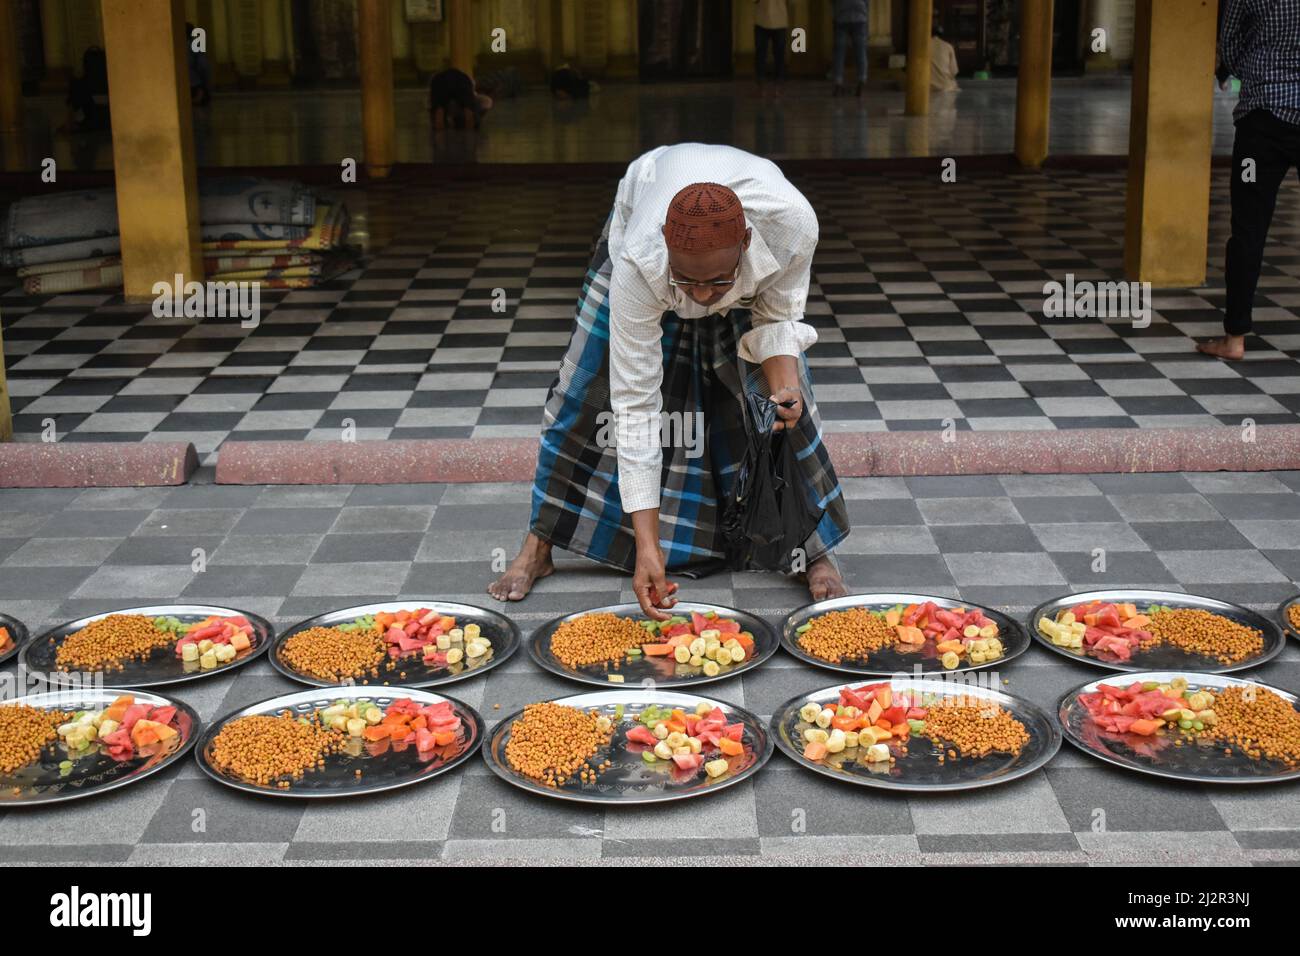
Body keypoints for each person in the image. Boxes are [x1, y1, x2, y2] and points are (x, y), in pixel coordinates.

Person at [488, 144, 850, 618]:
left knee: (777, 409)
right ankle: (540, 543)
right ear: (664, 241)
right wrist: (647, 549)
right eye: (686, 281)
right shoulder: (640, 260)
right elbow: (635, 408)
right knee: (585, 401)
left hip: (749, 272)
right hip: (644, 248)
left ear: (745, 244)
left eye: (716, 284)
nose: (701, 298)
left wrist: (783, 391)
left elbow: (777, 317)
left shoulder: (792, 227)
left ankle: (811, 548)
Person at [1200, 0, 1300, 361]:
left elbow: (1229, 43)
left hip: (1262, 123)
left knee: (1248, 230)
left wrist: (1260, 72)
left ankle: (1235, 338)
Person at [428, 68, 493, 130]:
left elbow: (438, 111)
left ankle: (460, 122)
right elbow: (469, 107)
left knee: (439, 110)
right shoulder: (464, 80)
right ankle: (467, 125)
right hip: (460, 85)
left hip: (442, 83)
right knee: (469, 108)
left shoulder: (438, 80)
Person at [831, 0, 869, 97]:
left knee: (839, 52)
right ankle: (862, 80)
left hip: (841, 13)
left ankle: (838, 82)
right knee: (860, 50)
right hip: (859, 13)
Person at [754, 0, 790, 94]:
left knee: (778, 54)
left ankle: (777, 85)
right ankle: (762, 85)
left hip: (778, 19)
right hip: (762, 17)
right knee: (761, 54)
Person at [930, 24, 961, 92]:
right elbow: (954, 71)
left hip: (925, 86)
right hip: (945, 86)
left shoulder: (922, 45)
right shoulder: (948, 46)